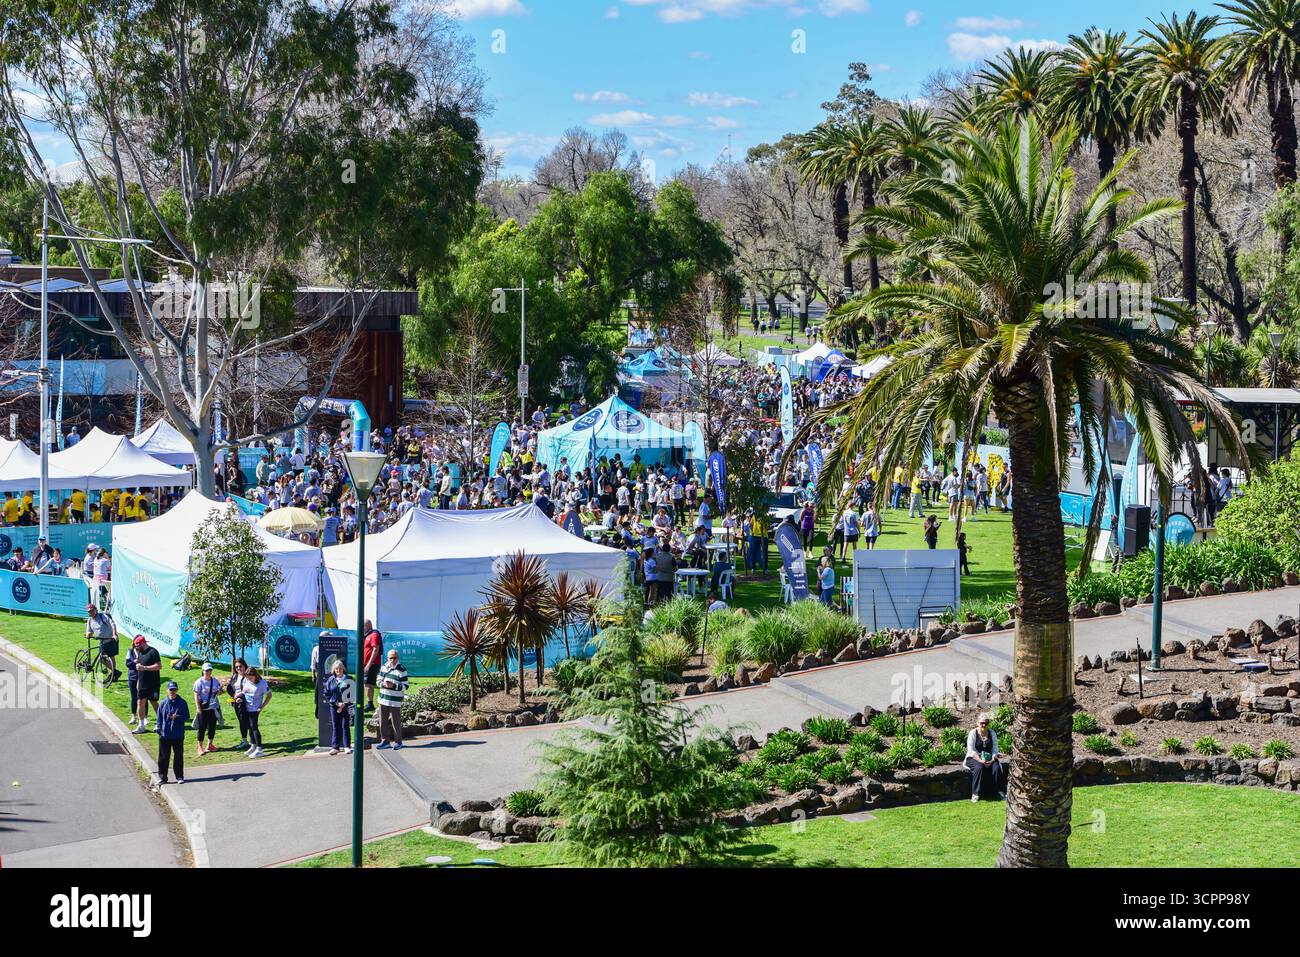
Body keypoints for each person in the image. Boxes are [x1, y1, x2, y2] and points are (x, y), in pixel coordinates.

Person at [965, 713, 1007, 802]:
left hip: (989, 757)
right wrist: (980, 760)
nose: (984, 725)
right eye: (981, 723)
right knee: (979, 768)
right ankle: (975, 794)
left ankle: (1000, 792)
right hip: (974, 757)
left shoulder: (992, 733)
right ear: (977, 723)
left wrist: (992, 759)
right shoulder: (973, 733)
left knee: (996, 768)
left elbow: (995, 749)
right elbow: (971, 750)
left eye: (986, 723)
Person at [156, 681, 190, 785]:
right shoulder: (163, 703)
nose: (172, 692)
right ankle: (163, 778)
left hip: (178, 735)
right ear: (167, 690)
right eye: (171, 690)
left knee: (178, 756)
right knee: (163, 757)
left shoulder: (182, 702)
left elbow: (186, 717)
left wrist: (178, 717)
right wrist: (159, 728)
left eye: (174, 690)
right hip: (165, 734)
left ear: (177, 690)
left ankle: (179, 776)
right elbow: (159, 718)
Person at [375, 649, 409, 750]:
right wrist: (383, 684)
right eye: (391, 658)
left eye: (395, 658)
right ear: (387, 658)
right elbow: (378, 681)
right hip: (383, 699)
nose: (393, 660)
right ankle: (385, 741)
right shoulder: (384, 667)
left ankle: (398, 742)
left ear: (397, 658)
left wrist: (394, 686)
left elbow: (405, 686)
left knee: (396, 722)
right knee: (382, 721)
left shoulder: (402, 669)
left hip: (395, 701)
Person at [321, 659, 354, 755]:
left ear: (343, 669)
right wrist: (336, 703)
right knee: (336, 726)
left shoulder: (349, 679)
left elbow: (352, 694)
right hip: (334, 707)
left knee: (345, 726)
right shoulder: (331, 680)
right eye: (336, 669)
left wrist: (344, 703)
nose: (338, 670)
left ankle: (347, 746)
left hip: (346, 706)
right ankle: (335, 747)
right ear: (334, 670)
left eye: (340, 668)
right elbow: (327, 694)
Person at [131, 636, 162, 733]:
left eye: (138, 645)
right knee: (140, 702)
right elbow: (140, 669)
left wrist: (144, 667)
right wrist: (138, 682)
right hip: (142, 683)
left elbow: (159, 666)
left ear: (143, 643)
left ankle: (160, 722)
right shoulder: (140, 653)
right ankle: (141, 725)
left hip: (153, 683)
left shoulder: (153, 652)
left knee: (154, 702)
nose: (136, 647)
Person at [239, 666, 272, 758]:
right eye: (248, 678)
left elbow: (269, 695)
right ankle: (253, 746)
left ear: (255, 675)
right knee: (250, 727)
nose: (249, 680)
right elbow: (244, 692)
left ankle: (259, 749)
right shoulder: (246, 680)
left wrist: (261, 707)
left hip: (255, 709)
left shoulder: (262, 683)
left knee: (254, 727)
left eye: (251, 678)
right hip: (246, 708)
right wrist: (239, 698)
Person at [192, 663, 223, 756]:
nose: (208, 672)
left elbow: (219, 692)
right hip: (203, 708)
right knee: (202, 728)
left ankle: (209, 745)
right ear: (203, 671)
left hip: (213, 708)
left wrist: (220, 691)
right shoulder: (199, 682)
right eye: (206, 670)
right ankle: (200, 747)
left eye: (210, 670)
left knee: (212, 727)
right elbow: (196, 695)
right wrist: (198, 708)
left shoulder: (215, 681)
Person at [86, 604, 121, 682]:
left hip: (111, 640)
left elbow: (112, 624)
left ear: (96, 610)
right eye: (89, 611)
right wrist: (88, 634)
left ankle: (113, 675)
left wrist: (114, 634)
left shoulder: (103, 616)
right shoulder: (90, 620)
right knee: (102, 659)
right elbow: (89, 631)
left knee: (112, 657)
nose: (91, 613)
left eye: (92, 610)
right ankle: (115, 673)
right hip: (102, 642)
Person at [226, 658, 252, 749]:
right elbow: (229, 688)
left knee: (249, 722)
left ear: (244, 666)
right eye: (236, 667)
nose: (238, 668)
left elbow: (251, 690)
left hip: (247, 703)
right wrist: (234, 696)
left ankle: (254, 742)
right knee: (241, 722)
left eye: (240, 666)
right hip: (237, 703)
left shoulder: (248, 676)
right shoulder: (235, 676)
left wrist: (241, 697)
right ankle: (244, 741)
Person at [362, 621, 383, 711]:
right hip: (367, 664)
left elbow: (376, 649)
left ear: (367, 625)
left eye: (362, 625)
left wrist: (369, 664)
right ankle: (369, 703)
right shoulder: (368, 635)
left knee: (368, 683)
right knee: (366, 684)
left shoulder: (374, 635)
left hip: (372, 664)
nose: (361, 627)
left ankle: (370, 704)